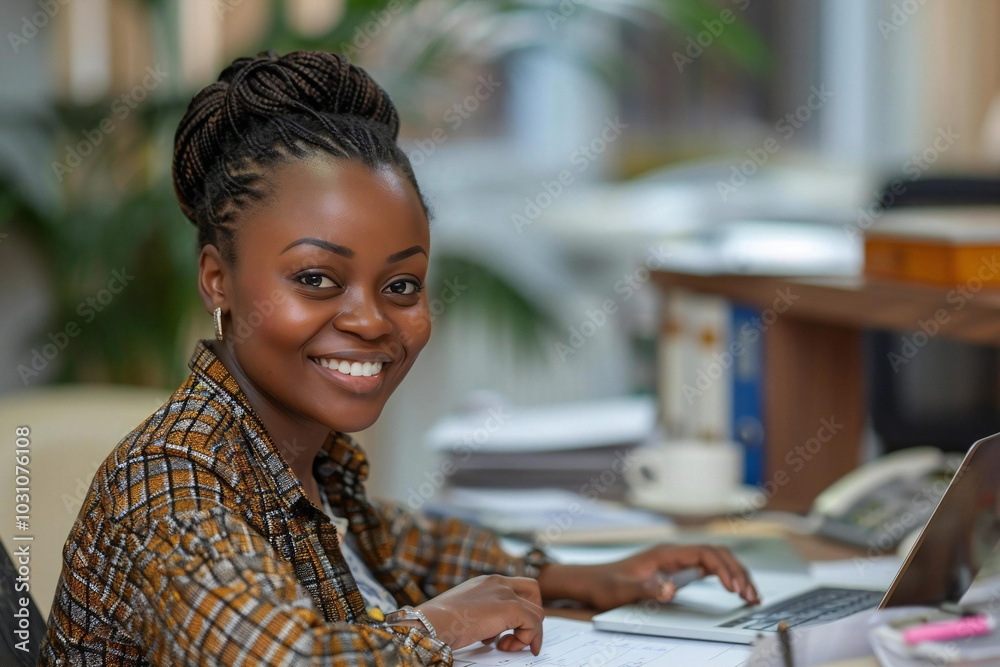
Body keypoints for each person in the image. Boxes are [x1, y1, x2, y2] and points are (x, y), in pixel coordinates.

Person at [39, 49, 759, 666]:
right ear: (217, 278)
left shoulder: (301, 463)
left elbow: (409, 547)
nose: (370, 320)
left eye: (402, 284)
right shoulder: (171, 481)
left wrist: (577, 575)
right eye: (316, 278)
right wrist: (439, 625)